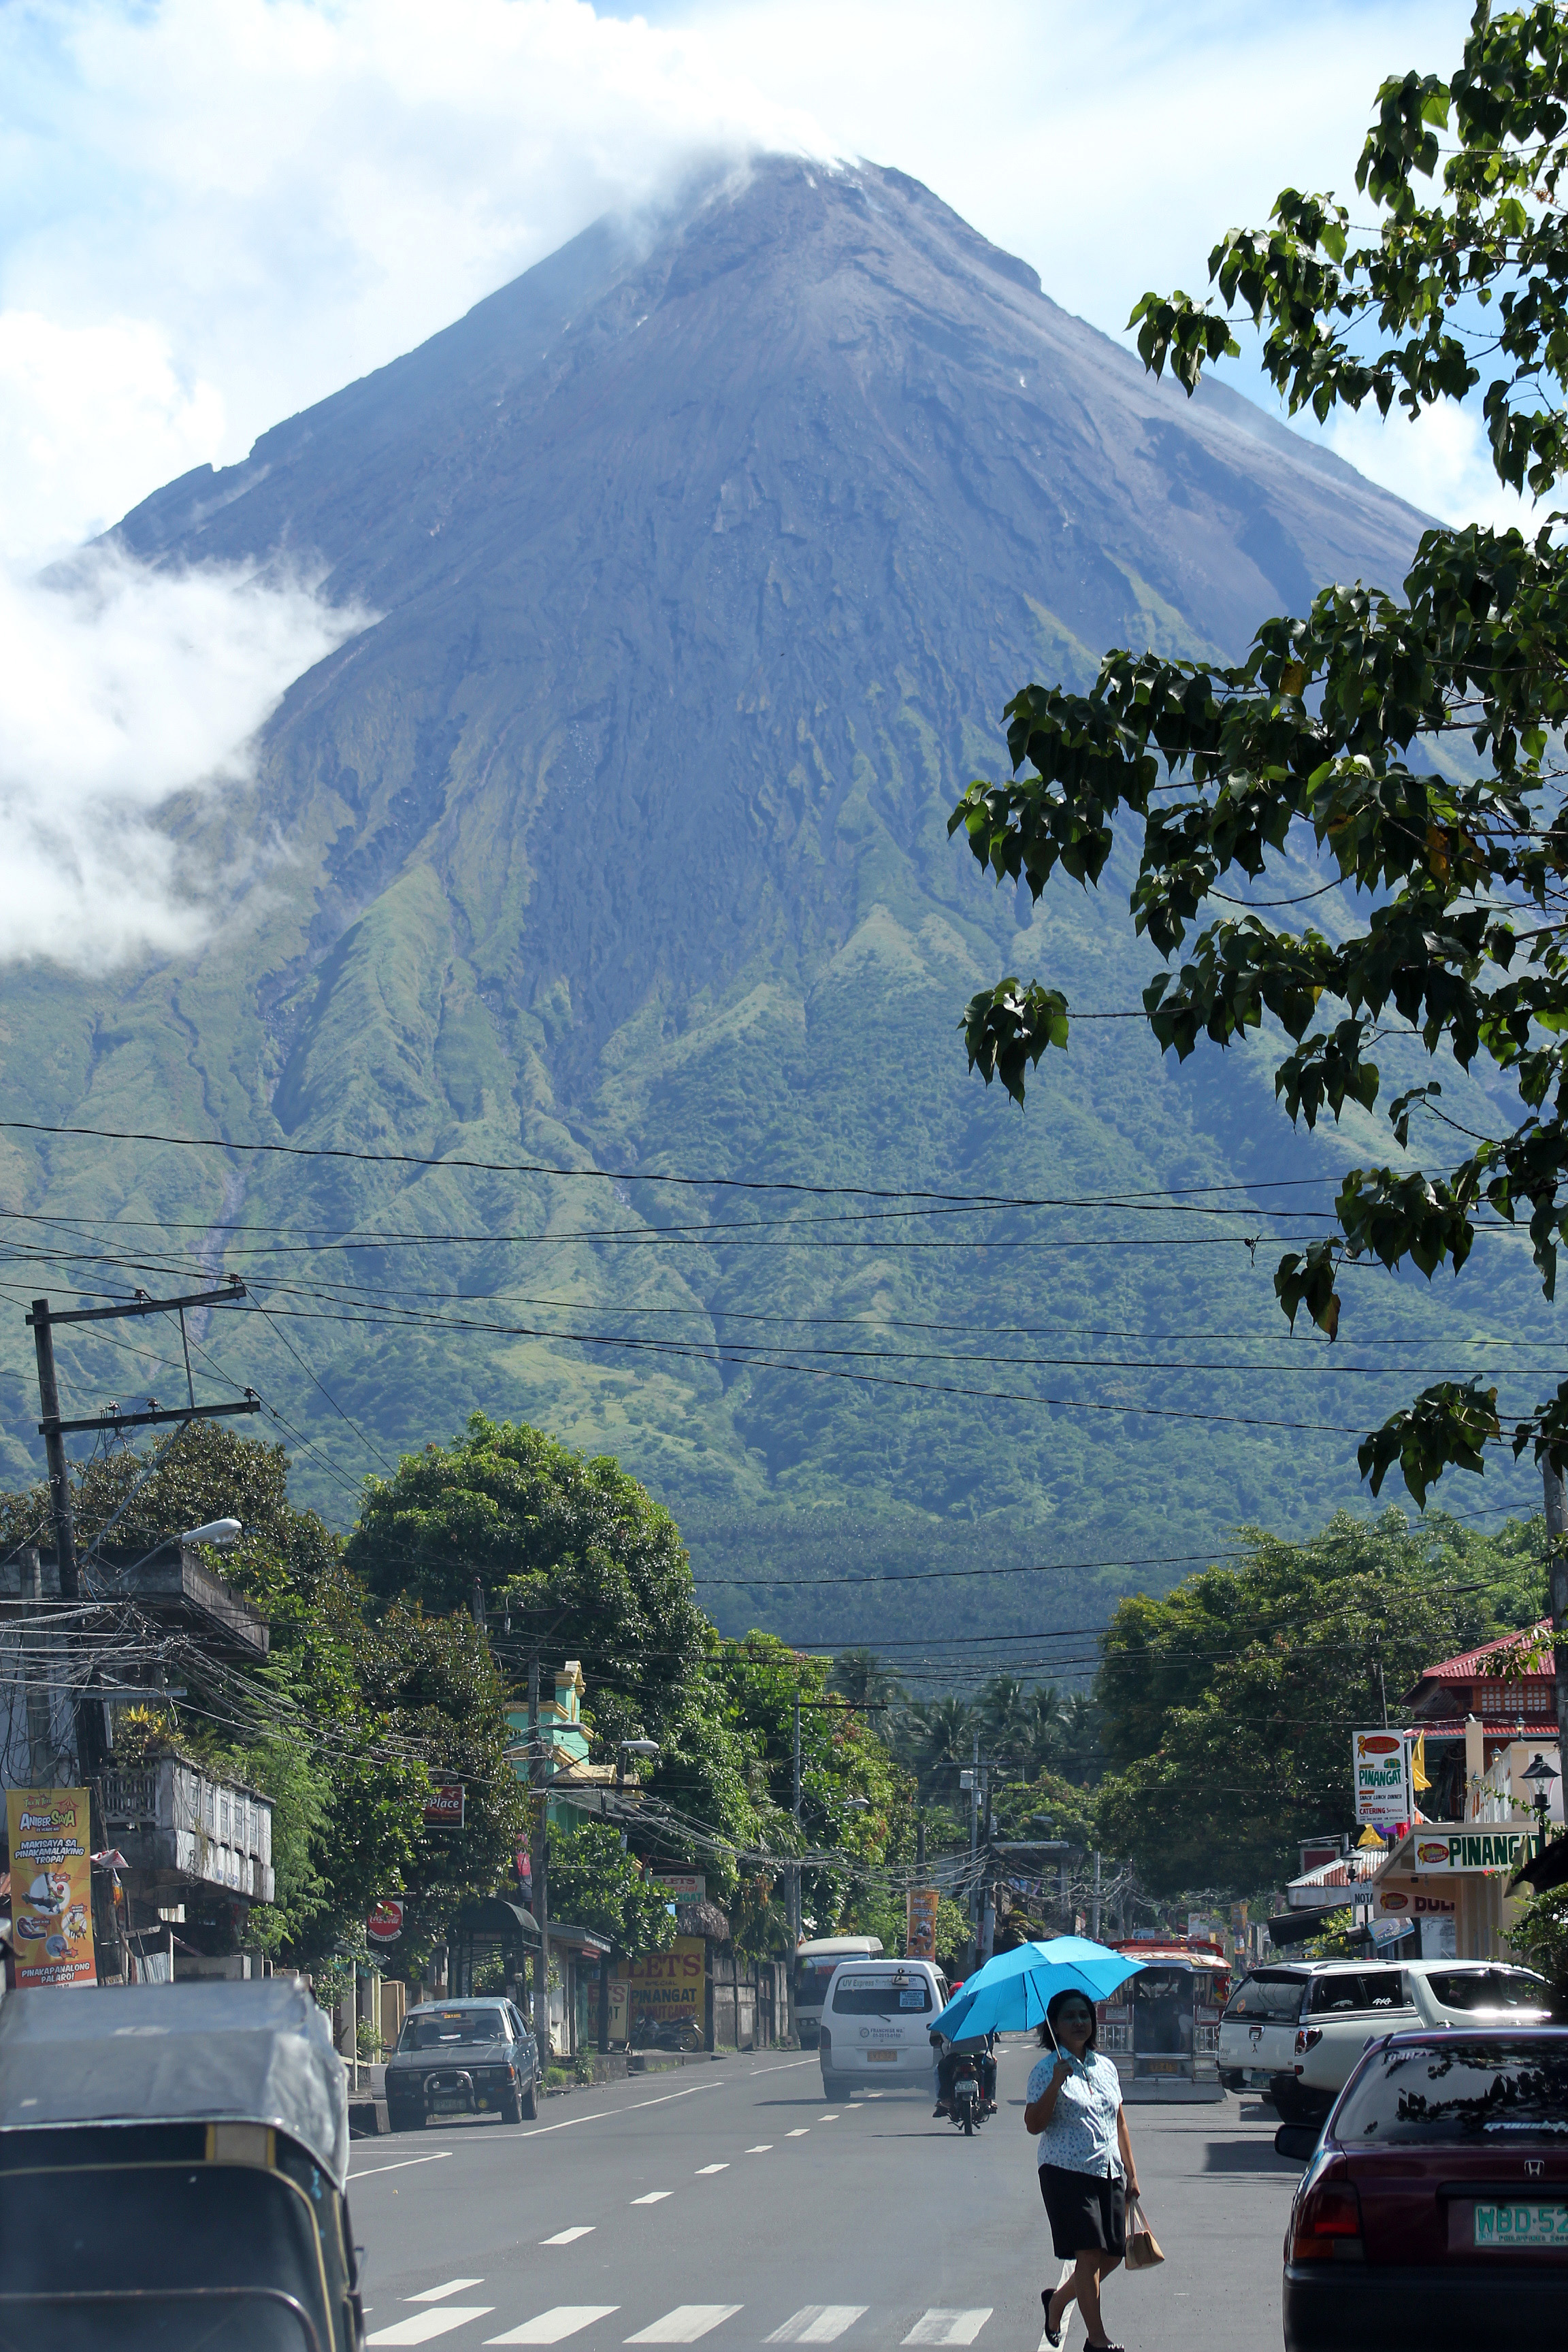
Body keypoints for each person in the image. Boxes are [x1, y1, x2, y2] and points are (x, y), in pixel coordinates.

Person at [1024, 1988, 1141, 2352]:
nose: (1078, 2023)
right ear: (1054, 2026)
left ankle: (1057, 2301)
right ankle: (1097, 2340)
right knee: (1088, 2254)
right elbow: (1033, 2124)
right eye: (1069, 2017)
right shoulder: (1045, 2071)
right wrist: (1056, 2083)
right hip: (1065, 2173)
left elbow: (1119, 2121)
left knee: (1112, 2255)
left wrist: (1132, 2174)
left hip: (1108, 2171)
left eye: (1083, 2015)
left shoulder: (1105, 2067)